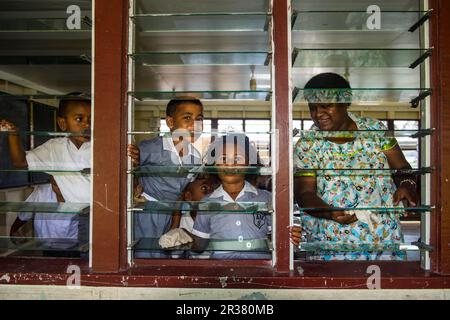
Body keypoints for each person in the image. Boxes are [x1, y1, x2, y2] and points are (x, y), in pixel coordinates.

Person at [291, 73, 419, 260]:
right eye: (313, 107)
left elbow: (402, 167)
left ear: (345, 102)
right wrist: (329, 212)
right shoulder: (307, 145)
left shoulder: (376, 131)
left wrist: (407, 184)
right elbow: (304, 194)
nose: (318, 114)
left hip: (382, 238)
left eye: (326, 106)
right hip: (332, 242)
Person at [1, 93, 91, 255]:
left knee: (91, 262)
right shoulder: (54, 148)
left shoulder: (102, 145)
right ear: (63, 123)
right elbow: (20, 162)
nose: (87, 125)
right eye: (79, 119)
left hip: (96, 215)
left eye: (91, 119)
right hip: (55, 242)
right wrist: (13, 135)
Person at [127, 97, 204, 258]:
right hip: (146, 213)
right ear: (170, 122)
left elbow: (182, 193)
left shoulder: (195, 156)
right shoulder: (151, 147)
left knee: (165, 254)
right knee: (144, 254)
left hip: (171, 214)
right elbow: (130, 167)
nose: (194, 125)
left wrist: (175, 223)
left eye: (199, 119)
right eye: (187, 118)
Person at [190, 134, 272, 260]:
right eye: (223, 158)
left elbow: (277, 239)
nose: (230, 164)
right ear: (214, 163)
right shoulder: (206, 202)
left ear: (249, 163)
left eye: (237, 158)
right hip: (221, 271)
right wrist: (183, 236)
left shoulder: (266, 198)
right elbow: (199, 245)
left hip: (260, 269)